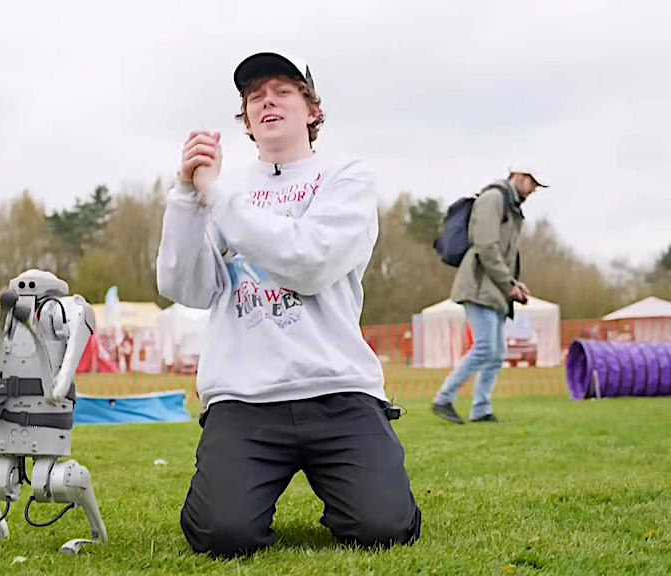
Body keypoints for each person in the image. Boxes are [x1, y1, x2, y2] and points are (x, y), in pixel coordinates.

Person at [155, 50, 422, 559]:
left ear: (312, 110)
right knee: (222, 536)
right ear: (247, 122)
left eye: (282, 91)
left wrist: (215, 193)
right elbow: (185, 286)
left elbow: (311, 261)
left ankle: (360, 490)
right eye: (254, 97)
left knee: (383, 529)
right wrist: (186, 194)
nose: (266, 101)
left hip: (338, 390)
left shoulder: (347, 177)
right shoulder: (219, 192)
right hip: (244, 397)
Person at [430, 163, 548, 424]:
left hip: (494, 288)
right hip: (478, 286)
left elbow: (503, 253)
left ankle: (481, 409)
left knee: (496, 354)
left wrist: (514, 283)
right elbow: (487, 246)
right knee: (484, 349)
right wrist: (509, 285)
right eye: (532, 182)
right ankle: (444, 398)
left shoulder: (510, 205)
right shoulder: (493, 199)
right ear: (518, 175)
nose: (534, 190)